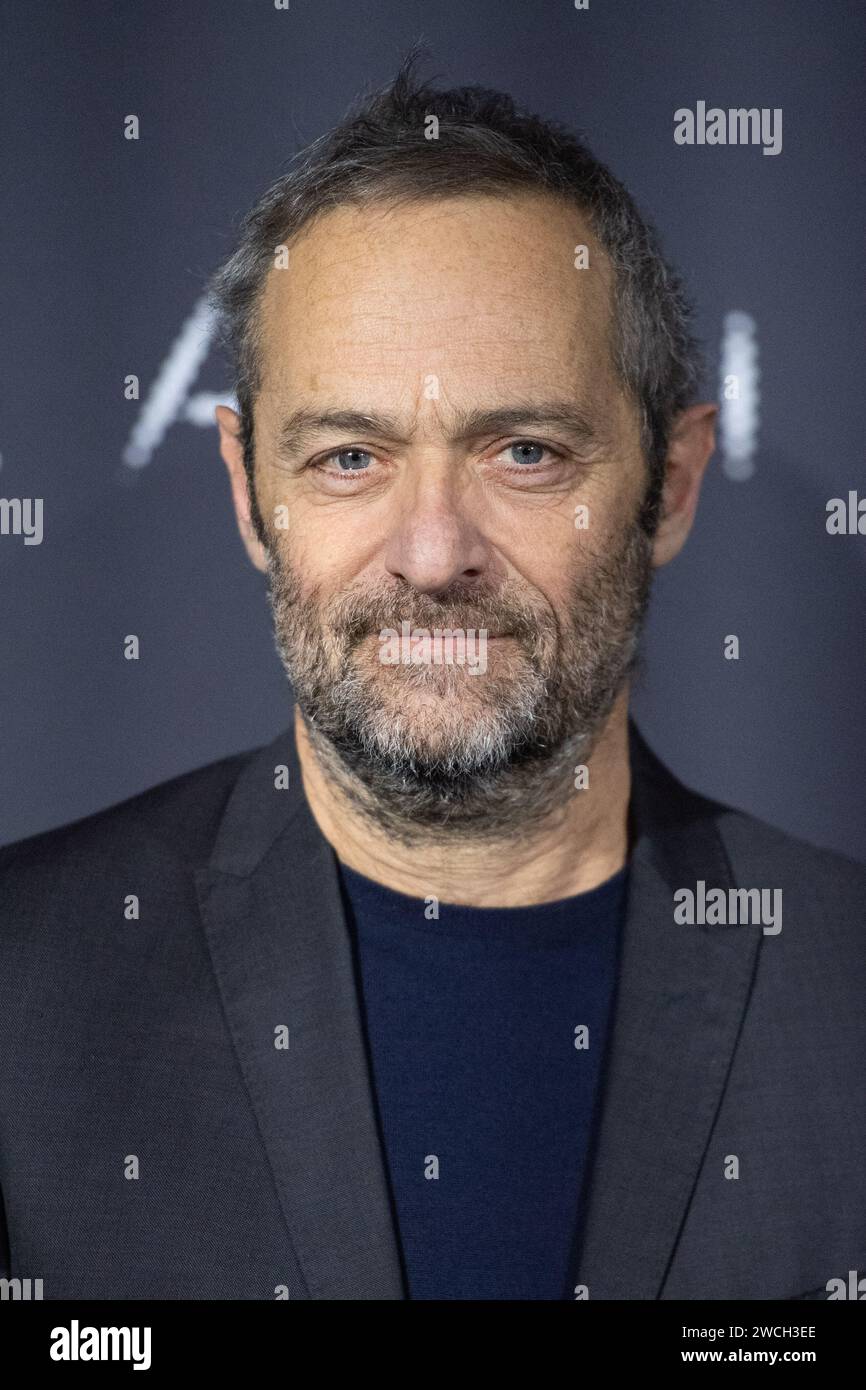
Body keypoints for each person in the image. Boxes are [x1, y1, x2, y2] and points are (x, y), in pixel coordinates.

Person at [1, 56, 863, 1302]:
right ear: (251, 493)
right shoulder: (26, 989)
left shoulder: (840, 994)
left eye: (523, 451)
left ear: (667, 485)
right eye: (349, 455)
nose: (431, 553)